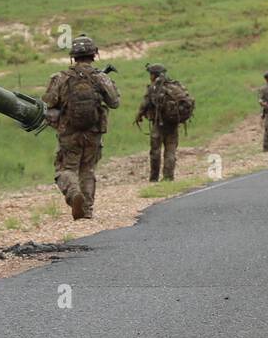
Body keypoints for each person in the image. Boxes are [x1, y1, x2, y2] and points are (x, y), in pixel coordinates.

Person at [44, 35, 120, 219]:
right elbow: (114, 102)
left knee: (66, 169)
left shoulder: (61, 78)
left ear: (73, 57)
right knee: (88, 169)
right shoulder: (100, 77)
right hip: (93, 132)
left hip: (68, 132)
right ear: (94, 55)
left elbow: (48, 102)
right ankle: (86, 210)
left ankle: (73, 193)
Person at [135, 63, 181, 181]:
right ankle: (168, 177)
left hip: (158, 124)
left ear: (153, 75)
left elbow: (145, 104)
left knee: (155, 152)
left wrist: (139, 116)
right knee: (170, 151)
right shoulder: (174, 86)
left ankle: (154, 178)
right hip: (173, 124)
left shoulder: (154, 88)